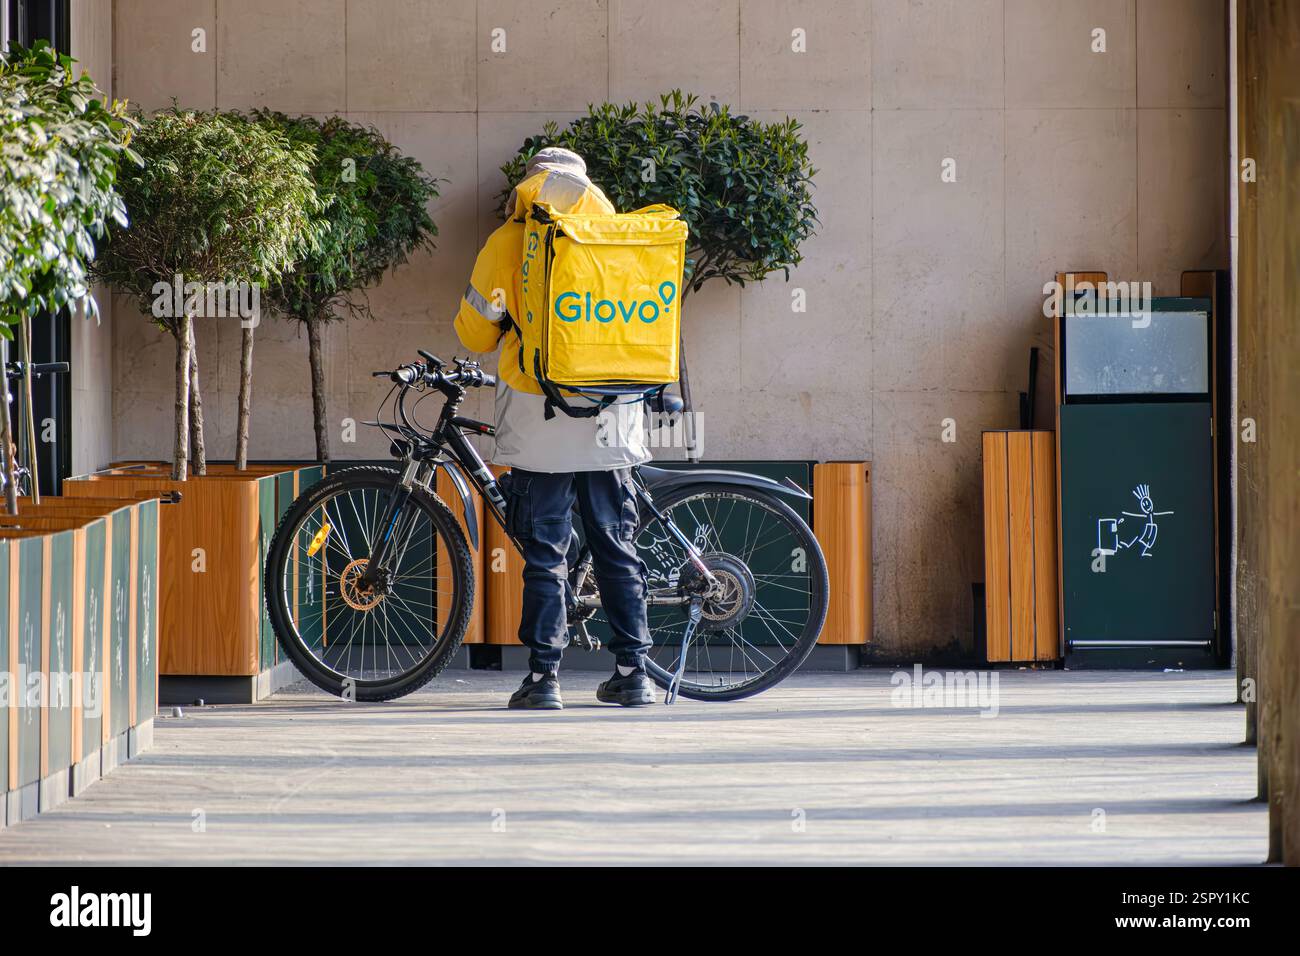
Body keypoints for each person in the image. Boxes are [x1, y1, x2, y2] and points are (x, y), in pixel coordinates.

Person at [453, 147, 655, 710]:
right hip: (612, 416)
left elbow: (474, 334)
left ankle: (543, 681)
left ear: (530, 186)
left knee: (546, 552)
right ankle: (633, 673)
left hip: (541, 419)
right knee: (617, 547)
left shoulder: (506, 244)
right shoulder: (618, 241)